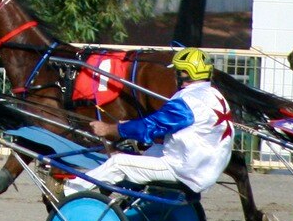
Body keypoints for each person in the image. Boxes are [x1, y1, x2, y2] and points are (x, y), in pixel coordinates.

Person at [78, 48, 236, 193]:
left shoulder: (188, 100)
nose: (175, 75)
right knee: (151, 152)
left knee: (117, 163)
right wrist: (130, 126)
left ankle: (70, 191)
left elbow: (150, 127)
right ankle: (136, 198)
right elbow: (165, 124)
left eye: (178, 71)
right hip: (209, 165)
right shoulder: (214, 94)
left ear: (186, 73)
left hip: (188, 170)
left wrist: (108, 129)